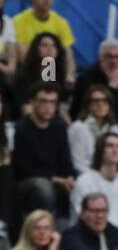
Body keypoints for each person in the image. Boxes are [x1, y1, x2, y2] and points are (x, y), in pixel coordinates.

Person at [13, 83, 76, 219]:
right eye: (43, 101)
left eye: (52, 102)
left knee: (82, 184)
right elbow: (23, 169)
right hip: (28, 183)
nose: (48, 107)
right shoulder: (20, 129)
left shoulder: (59, 128)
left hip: (56, 181)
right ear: (32, 102)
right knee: (43, 186)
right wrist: (56, 179)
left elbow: (65, 160)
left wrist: (69, 177)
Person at [69, 39, 118, 139]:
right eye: (109, 56)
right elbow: (84, 110)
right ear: (101, 58)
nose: (114, 61)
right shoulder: (87, 78)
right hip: (93, 128)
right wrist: (112, 89)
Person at [67, 84, 118, 175]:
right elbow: (78, 164)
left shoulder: (115, 128)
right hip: (85, 177)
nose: (101, 104)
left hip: (109, 175)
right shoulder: (78, 127)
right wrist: (96, 179)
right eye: (96, 101)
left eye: (105, 101)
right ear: (88, 105)